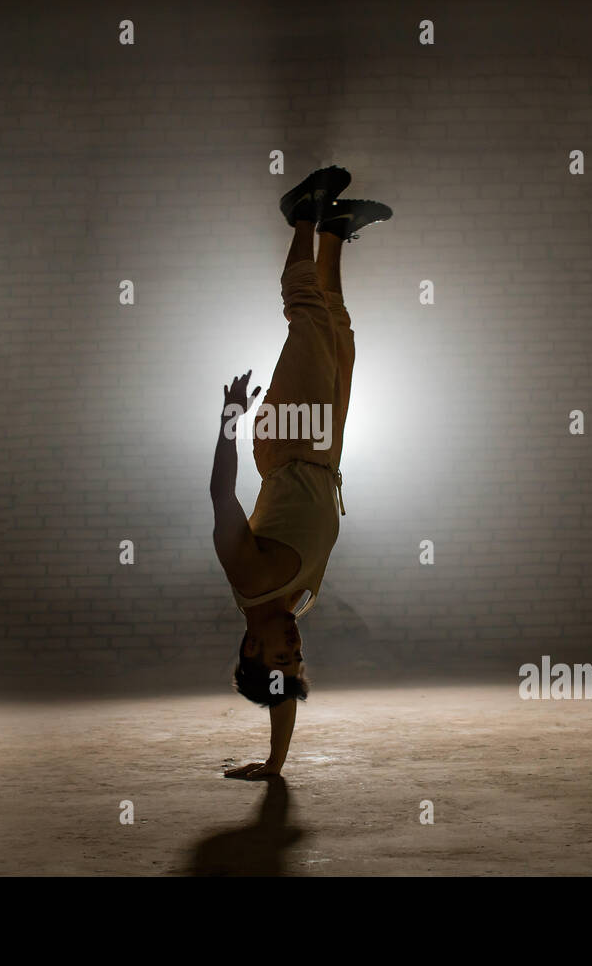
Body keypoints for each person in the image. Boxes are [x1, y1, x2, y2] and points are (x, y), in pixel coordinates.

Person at [209, 164, 392, 779]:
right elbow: (282, 698)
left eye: (283, 652)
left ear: (251, 646)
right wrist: (274, 764)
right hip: (327, 450)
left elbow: (221, 497)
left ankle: (302, 215)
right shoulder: (295, 601)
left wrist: (231, 418)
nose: (295, 643)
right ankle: (335, 233)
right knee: (339, 336)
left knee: (308, 320)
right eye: (300, 654)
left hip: (286, 439)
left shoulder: (250, 574)